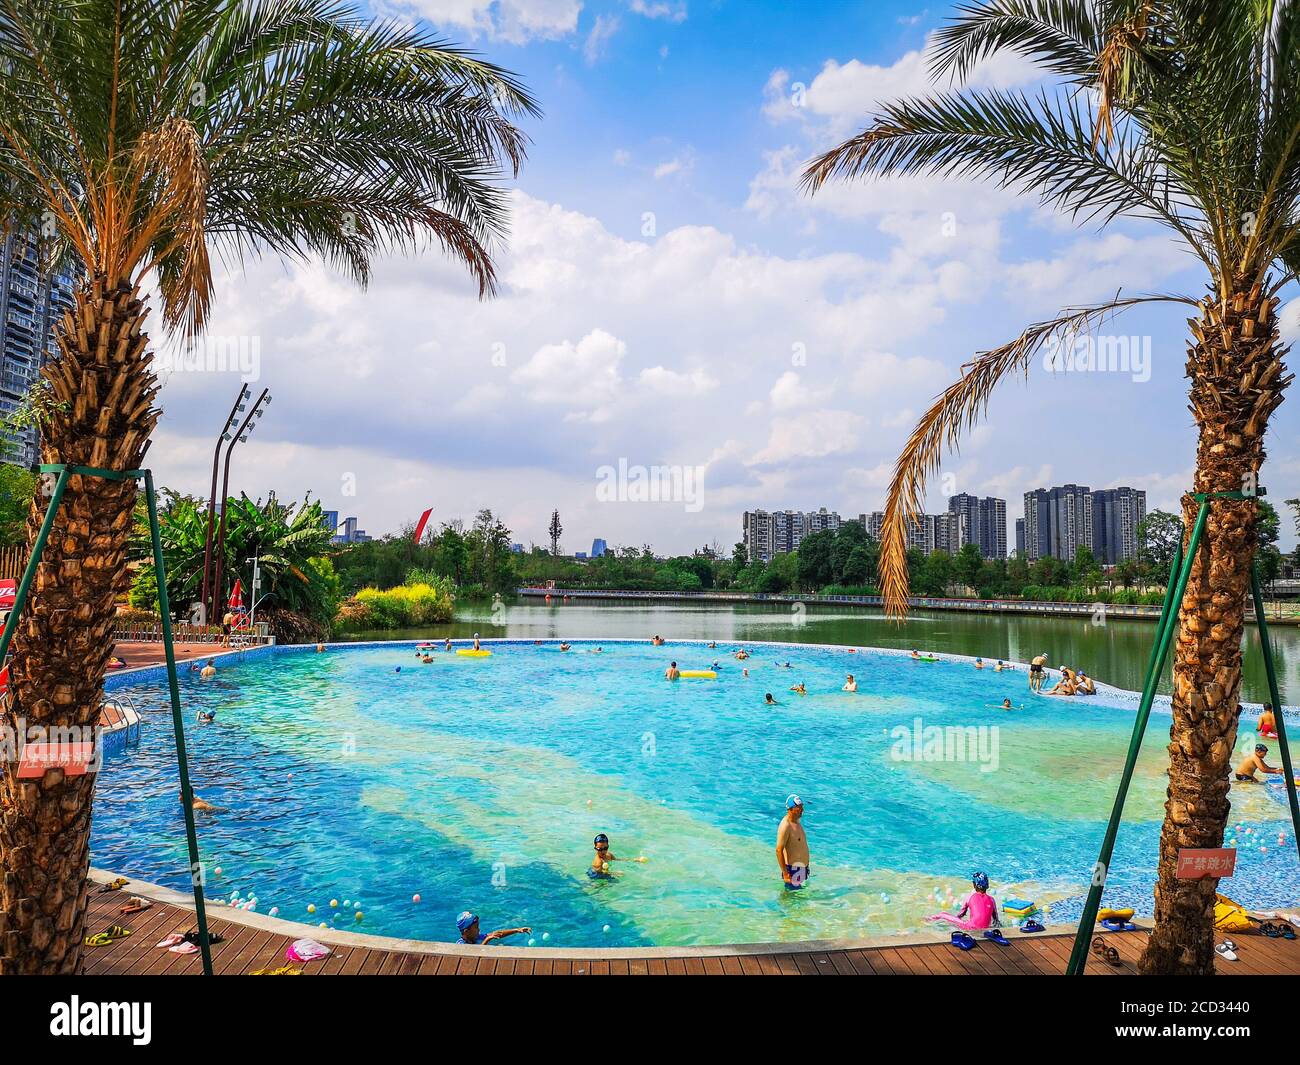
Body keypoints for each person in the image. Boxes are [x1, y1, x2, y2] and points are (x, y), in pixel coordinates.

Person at [927, 872, 1000, 930]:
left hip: (970, 927)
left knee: (943, 914)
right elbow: (996, 920)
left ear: (974, 885)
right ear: (987, 885)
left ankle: (928, 919)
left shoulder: (969, 896)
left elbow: (961, 914)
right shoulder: (992, 899)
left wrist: (955, 921)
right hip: (985, 928)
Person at [776, 795, 810, 890]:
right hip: (793, 871)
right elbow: (779, 850)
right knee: (792, 900)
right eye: (799, 807)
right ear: (790, 809)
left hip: (802, 869)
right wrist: (786, 875)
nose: (802, 810)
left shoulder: (796, 821)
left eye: (802, 807)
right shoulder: (785, 826)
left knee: (800, 900)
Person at [455, 911, 529, 945]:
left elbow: (497, 934)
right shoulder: (460, 945)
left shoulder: (477, 937)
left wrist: (516, 930)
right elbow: (475, 957)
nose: (479, 929)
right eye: (476, 927)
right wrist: (487, 940)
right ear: (466, 931)